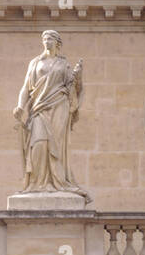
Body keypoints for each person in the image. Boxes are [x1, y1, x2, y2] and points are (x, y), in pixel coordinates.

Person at [13, 30, 89, 198]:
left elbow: (75, 88)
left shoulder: (64, 64)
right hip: (39, 108)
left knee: (57, 145)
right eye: (45, 39)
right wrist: (20, 106)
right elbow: (26, 88)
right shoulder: (35, 63)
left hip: (59, 107)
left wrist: (79, 77)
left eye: (50, 39)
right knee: (38, 144)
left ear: (57, 43)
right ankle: (36, 184)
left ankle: (57, 183)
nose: (47, 41)